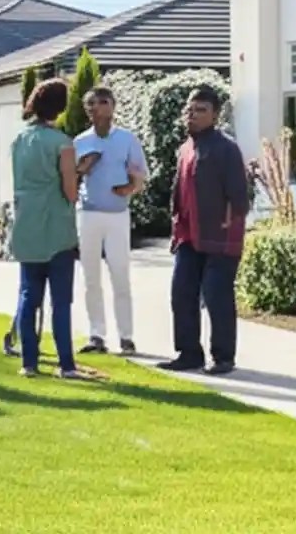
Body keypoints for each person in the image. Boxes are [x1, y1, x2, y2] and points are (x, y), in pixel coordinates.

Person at [158, 86, 249, 375]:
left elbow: (240, 198)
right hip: (187, 236)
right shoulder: (186, 148)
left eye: (201, 110)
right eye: (190, 110)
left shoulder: (226, 148)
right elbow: (178, 192)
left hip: (219, 238)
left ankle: (223, 358)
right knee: (181, 293)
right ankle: (188, 354)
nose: (192, 115)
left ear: (215, 115)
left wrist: (227, 224)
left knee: (216, 296)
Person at [9, 78, 83, 379]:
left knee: (29, 295)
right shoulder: (63, 144)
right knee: (60, 300)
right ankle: (66, 364)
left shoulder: (18, 140)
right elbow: (70, 191)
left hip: (26, 223)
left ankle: (29, 362)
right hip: (55, 225)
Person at [74, 87, 147, 356]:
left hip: (117, 215)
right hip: (88, 214)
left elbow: (140, 176)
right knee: (91, 277)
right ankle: (96, 335)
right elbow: (70, 178)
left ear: (113, 107)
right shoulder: (80, 141)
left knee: (120, 275)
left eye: (102, 102)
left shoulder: (127, 139)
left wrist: (129, 188)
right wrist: (83, 168)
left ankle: (126, 336)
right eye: (91, 103)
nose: (96, 107)